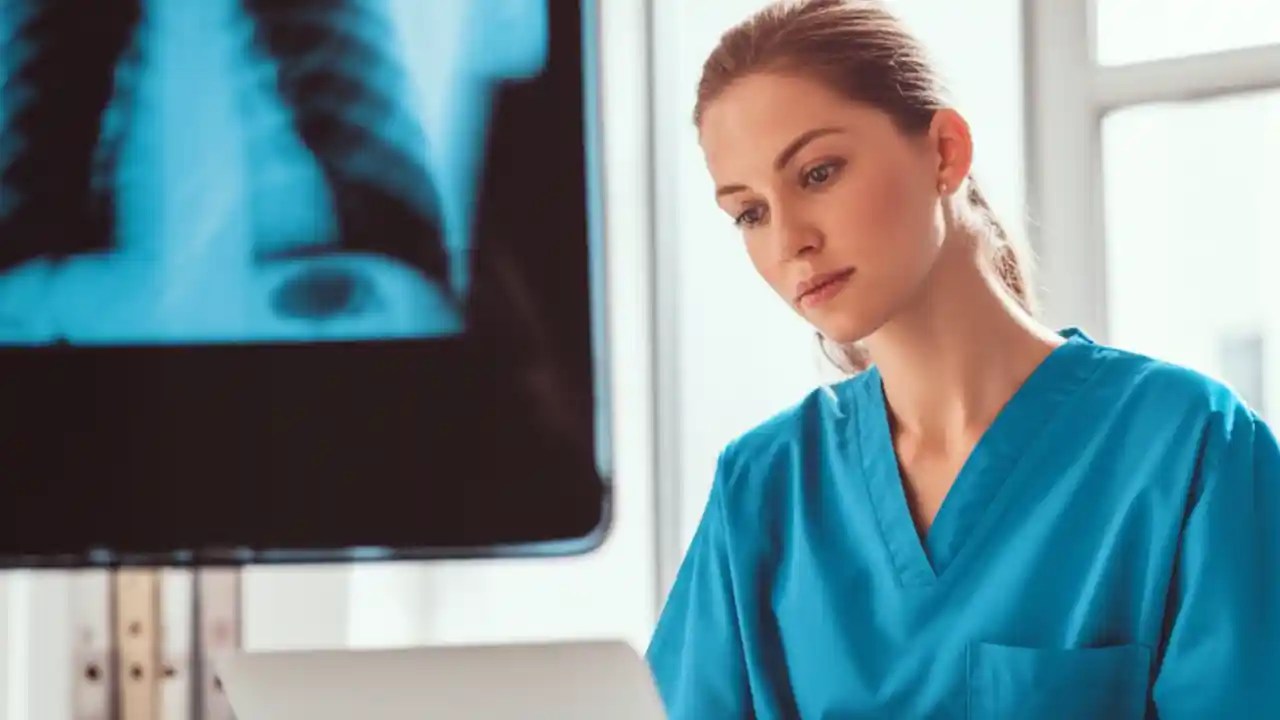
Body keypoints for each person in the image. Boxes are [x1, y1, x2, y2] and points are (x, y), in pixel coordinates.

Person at [644, 1, 1280, 717]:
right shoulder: (763, 488)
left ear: (944, 151)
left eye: (818, 173)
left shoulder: (1189, 447)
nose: (789, 238)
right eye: (749, 213)